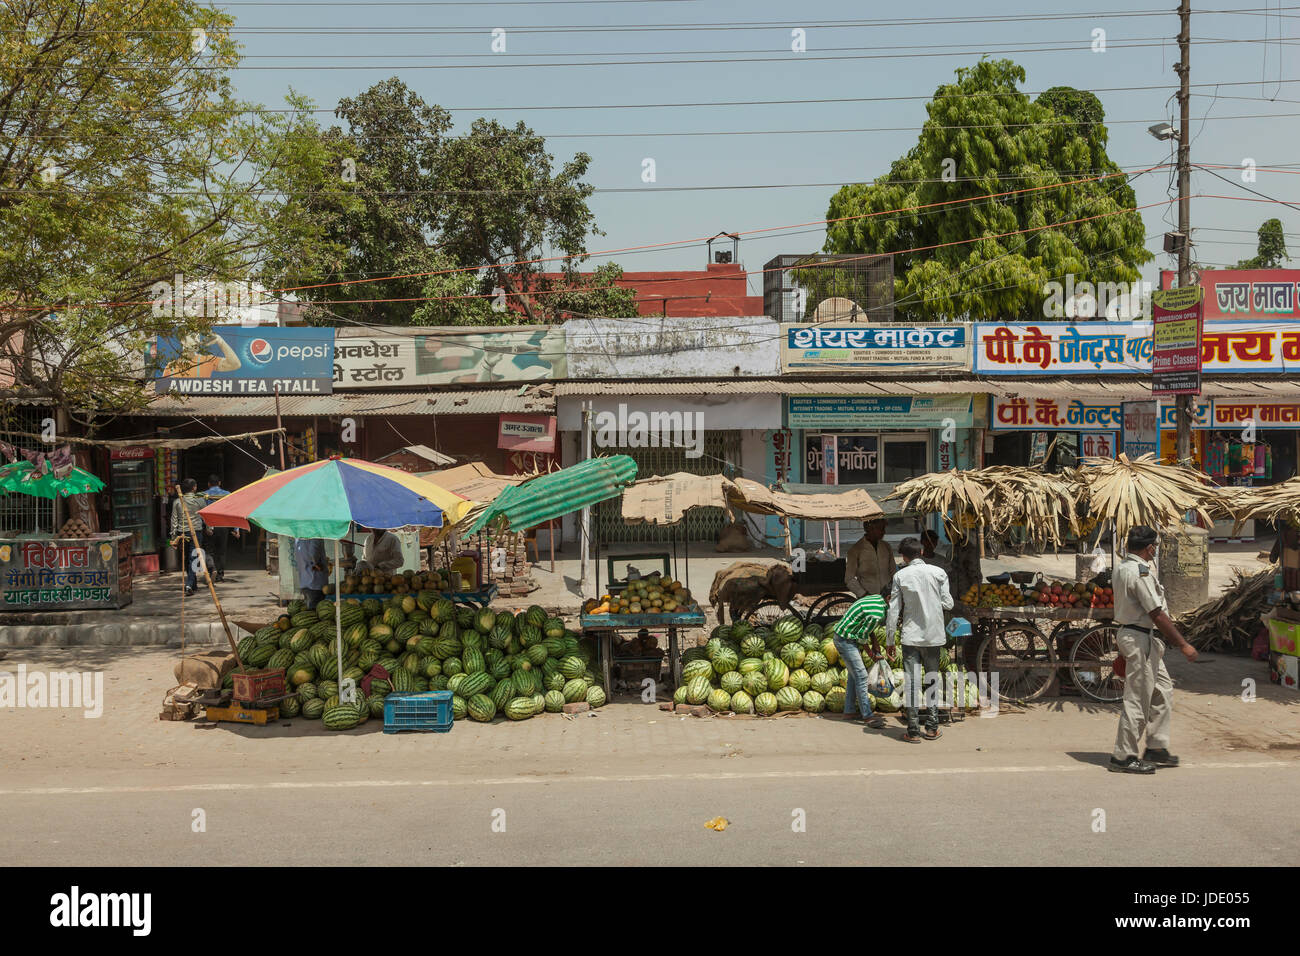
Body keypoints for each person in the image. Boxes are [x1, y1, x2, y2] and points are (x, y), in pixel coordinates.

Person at [1109, 525, 1199, 774]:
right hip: (1142, 639)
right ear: (1149, 548)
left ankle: (1156, 746)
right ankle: (1123, 756)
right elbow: (1157, 614)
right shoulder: (1140, 572)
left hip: (1138, 637)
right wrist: (1183, 645)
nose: (1154, 551)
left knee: (1163, 691)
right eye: (1154, 547)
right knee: (1137, 699)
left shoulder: (1122, 568)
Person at [886, 537, 955, 743]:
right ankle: (932, 728)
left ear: (903, 557)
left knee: (912, 682)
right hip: (934, 636)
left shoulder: (900, 576)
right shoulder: (939, 573)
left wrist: (890, 639)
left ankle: (913, 730)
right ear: (922, 552)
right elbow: (948, 603)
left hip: (910, 637)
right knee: (932, 679)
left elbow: (893, 611)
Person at [830, 593, 889, 729]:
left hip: (846, 637)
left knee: (854, 675)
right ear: (890, 597)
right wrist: (870, 653)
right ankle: (868, 716)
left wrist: (875, 643)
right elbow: (862, 636)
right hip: (845, 640)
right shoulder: (878, 613)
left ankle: (849, 711)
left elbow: (867, 625)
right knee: (862, 676)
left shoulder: (878, 600)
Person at [168, 478, 209, 595]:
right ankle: (189, 584)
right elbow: (205, 516)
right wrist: (209, 528)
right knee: (193, 558)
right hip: (196, 532)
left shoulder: (177, 502)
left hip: (182, 533)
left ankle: (192, 583)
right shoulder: (199, 500)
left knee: (187, 558)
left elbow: (174, 521)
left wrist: (173, 537)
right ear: (194, 488)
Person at [846, 517, 895, 598]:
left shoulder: (886, 547)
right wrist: (863, 594)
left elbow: (893, 572)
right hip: (867, 598)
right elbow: (849, 579)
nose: (884, 532)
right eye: (881, 528)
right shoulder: (856, 549)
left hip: (888, 596)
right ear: (870, 529)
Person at [204, 474, 237, 582]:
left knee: (209, 551)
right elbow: (234, 510)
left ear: (208, 484)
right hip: (223, 526)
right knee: (221, 551)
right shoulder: (227, 494)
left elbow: (201, 513)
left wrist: (206, 527)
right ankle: (220, 574)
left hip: (210, 525)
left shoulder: (204, 495)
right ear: (219, 483)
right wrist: (236, 529)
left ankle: (212, 569)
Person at [294, 538, 329, 610]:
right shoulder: (316, 535)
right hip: (315, 582)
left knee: (309, 611)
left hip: (304, 582)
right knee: (315, 612)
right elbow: (313, 552)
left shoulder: (298, 538)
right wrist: (316, 564)